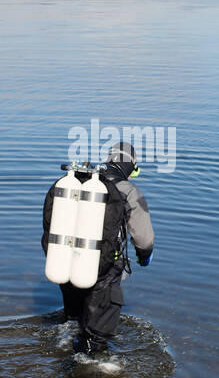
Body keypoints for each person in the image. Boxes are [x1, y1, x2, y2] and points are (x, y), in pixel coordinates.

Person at [42, 140, 154, 354]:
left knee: (71, 325)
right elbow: (144, 239)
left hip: (67, 263)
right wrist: (144, 255)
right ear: (132, 167)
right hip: (104, 274)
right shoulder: (128, 190)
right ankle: (89, 376)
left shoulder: (84, 181)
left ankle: (64, 358)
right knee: (95, 340)